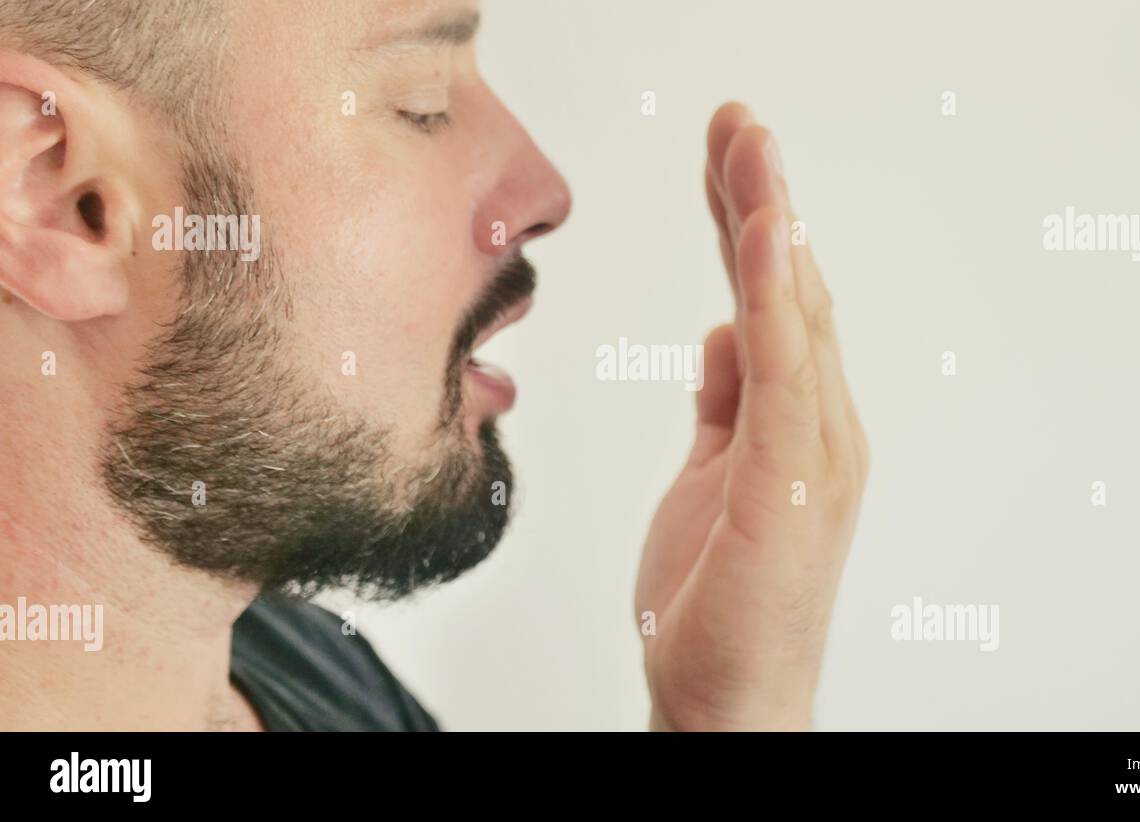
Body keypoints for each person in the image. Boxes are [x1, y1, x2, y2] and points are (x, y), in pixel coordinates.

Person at [0, 0, 867, 731]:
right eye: (420, 104)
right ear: (64, 203)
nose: (543, 190)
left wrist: (730, 711)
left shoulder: (319, 672)